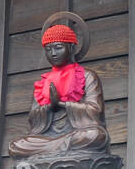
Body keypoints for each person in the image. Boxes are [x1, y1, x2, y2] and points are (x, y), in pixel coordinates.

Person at [8, 23, 110, 161]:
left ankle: (51, 149)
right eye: (48, 49)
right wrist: (50, 106)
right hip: (48, 136)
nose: (53, 53)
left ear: (72, 48)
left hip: (78, 133)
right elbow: (33, 118)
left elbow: (95, 111)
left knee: (96, 136)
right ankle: (57, 148)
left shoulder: (87, 76)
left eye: (58, 47)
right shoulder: (43, 82)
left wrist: (62, 104)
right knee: (16, 146)